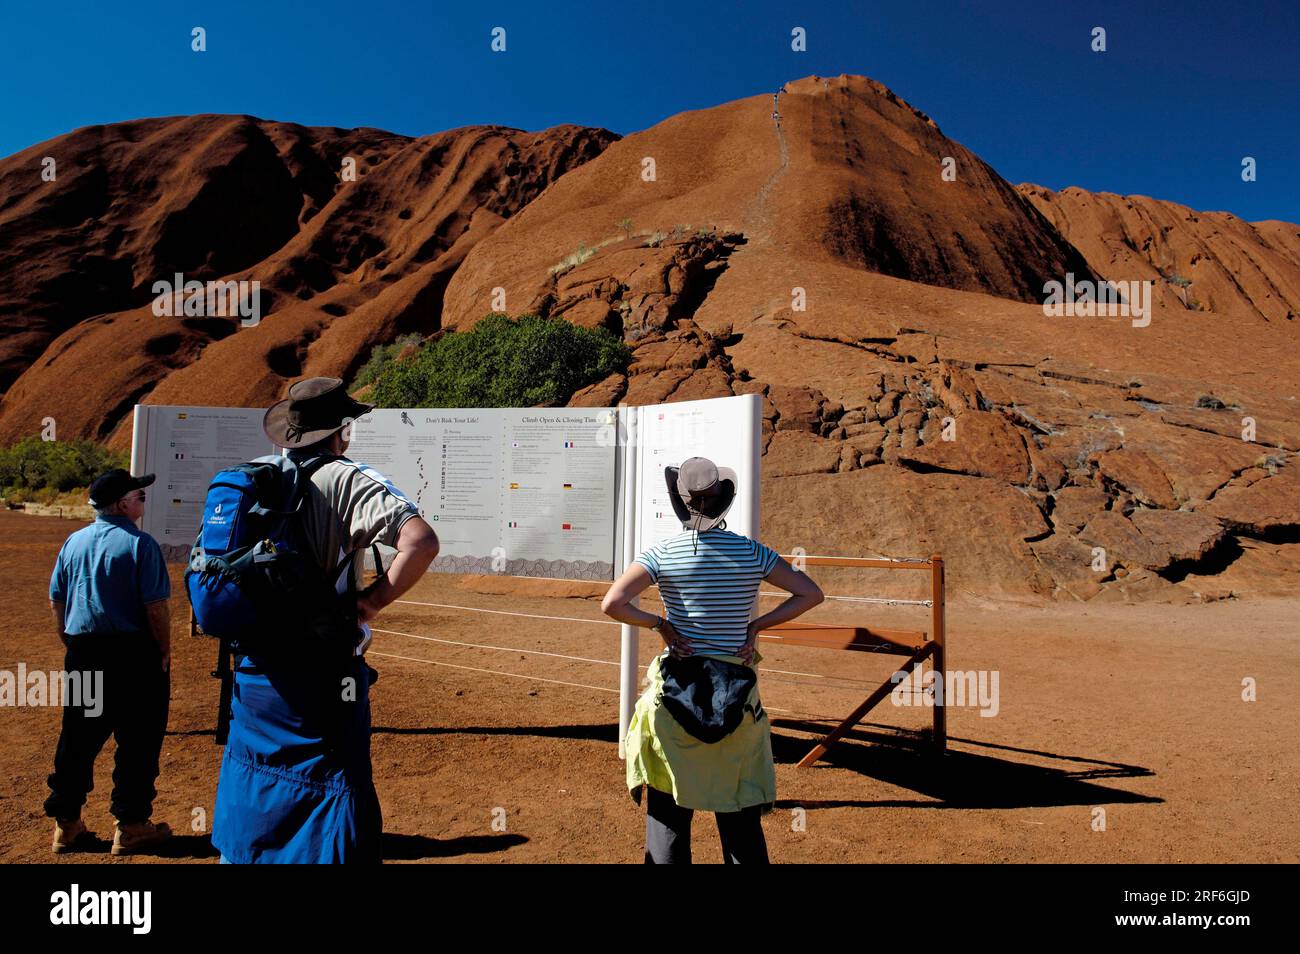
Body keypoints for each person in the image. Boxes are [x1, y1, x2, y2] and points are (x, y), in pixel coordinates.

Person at [211, 377, 439, 863]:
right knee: (334, 780)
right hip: (322, 670)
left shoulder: (255, 476)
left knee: (255, 776)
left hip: (254, 670)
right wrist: (372, 603)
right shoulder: (348, 478)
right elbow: (421, 542)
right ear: (343, 430)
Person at [602, 456, 823, 863]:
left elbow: (613, 603)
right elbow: (811, 593)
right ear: (723, 500)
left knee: (668, 818)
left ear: (682, 502)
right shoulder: (752, 552)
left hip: (675, 698)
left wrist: (659, 624)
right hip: (736, 698)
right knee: (739, 818)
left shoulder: (662, 553)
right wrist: (757, 625)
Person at [46, 468, 173, 856]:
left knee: (78, 739)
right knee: (138, 740)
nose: (143, 502)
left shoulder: (73, 541)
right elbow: (155, 609)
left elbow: (57, 599)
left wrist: (69, 640)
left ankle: (66, 825)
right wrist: (164, 652)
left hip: (85, 652)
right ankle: (131, 825)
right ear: (122, 504)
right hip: (134, 656)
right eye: (140, 497)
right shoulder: (140, 545)